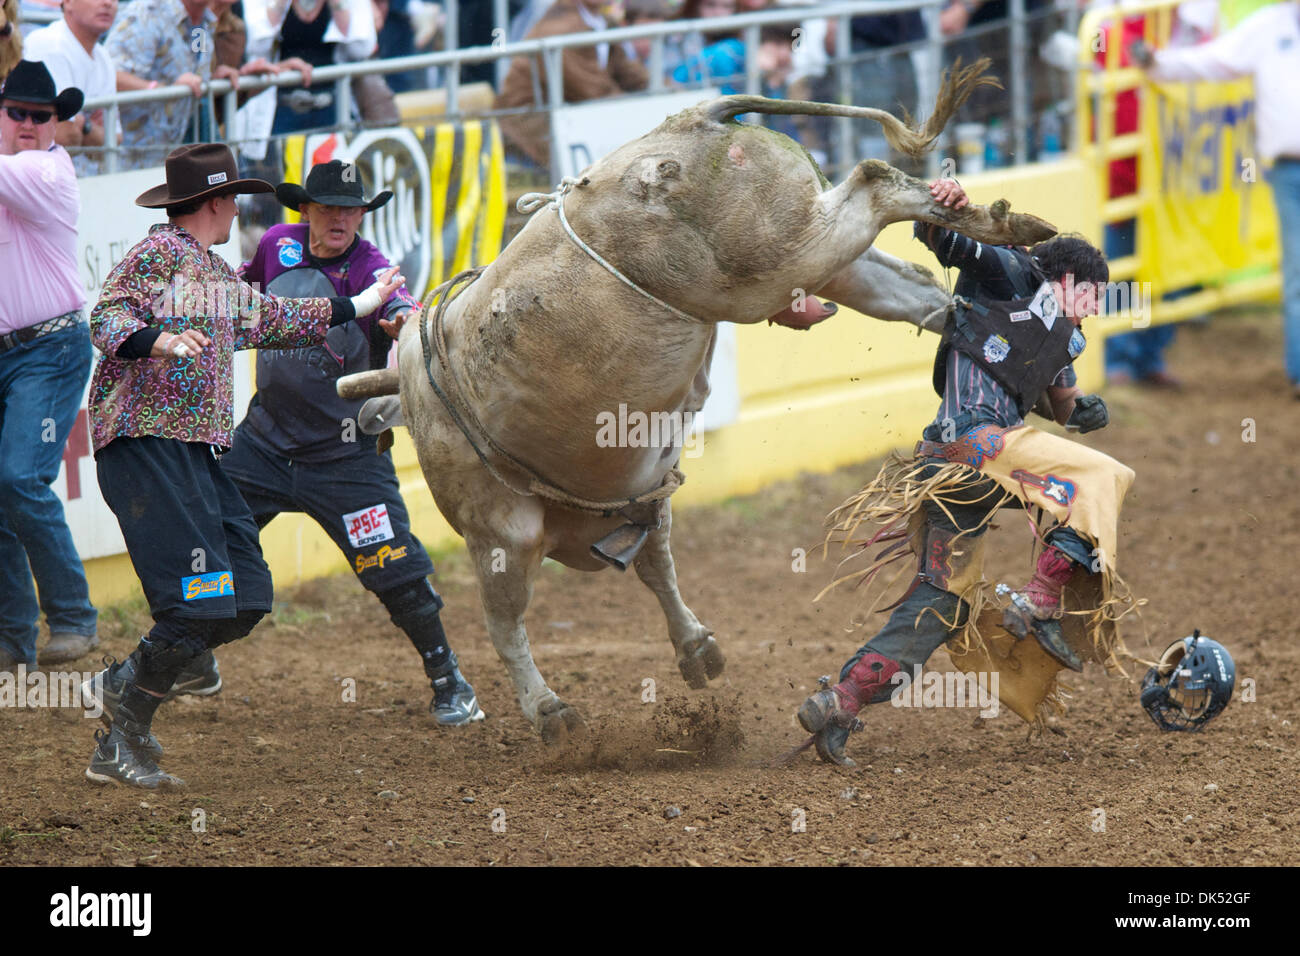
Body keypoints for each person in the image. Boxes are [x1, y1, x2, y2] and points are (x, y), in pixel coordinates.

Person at [80, 143, 403, 789]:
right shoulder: (161, 253)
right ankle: (122, 729)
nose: (239, 210)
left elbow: (274, 320)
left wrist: (362, 306)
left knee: (245, 595)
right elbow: (108, 316)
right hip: (149, 445)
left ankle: (124, 687)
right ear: (217, 202)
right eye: (234, 198)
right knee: (199, 601)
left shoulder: (214, 273)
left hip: (193, 452)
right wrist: (159, 339)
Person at [795, 178, 1137, 766]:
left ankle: (840, 703)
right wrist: (945, 204)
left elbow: (1064, 406)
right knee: (1100, 480)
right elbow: (939, 235)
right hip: (979, 445)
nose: (1098, 306)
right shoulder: (1010, 272)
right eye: (1094, 293)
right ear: (1069, 280)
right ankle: (1036, 602)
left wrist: (1085, 412)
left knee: (943, 603)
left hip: (952, 464)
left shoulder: (1062, 338)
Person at [212, 159, 485, 726]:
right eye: (329, 207)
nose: (340, 218)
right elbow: (244, 298)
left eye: (351, 209)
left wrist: (402, 322)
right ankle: (187, 652)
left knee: (394, 567)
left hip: (344, 454)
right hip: (262, 442)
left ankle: (447, 677)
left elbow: (402, 308)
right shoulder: (275, 246)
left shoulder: (374, 268)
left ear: (362, 214)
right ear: (305, 210)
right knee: (207, 537)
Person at [1132, 2, 1300, 397]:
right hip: (1288, 170)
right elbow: (1211, 61)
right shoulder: (1268, 26)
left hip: (1286, 171)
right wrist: (1158, 63)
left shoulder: (1271, 25)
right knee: (1296, 276)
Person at [0, 59, 99, 670]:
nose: (33, 123)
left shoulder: (46, 172)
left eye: (45, 115)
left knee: (17, 479)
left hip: (51, 347)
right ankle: (13, 642)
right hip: (22, 349)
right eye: (20, 113)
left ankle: (72, 617)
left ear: (57, 124)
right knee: (3, 489)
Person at [495, 0, 648, 168]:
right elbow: (593, 89)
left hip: (566, 116)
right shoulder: (561, 28)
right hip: (528, 125)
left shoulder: (602, 21)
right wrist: (640, 111)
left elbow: (629, 73)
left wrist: (671, 90)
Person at [106, 0, 239, 168]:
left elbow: (192, 74)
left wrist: (214, 79)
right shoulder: (148, 12)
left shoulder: (204, 22)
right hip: (123, 163)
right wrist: (163, 90)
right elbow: (110, 75)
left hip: (167, 162)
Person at [242, 0, 377, 135]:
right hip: (280, 106)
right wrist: (280, 4)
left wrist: (338, 5)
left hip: (332, 103)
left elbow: (361, 49)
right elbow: (256, 46)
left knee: (334, 154)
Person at [21, 0, 117, 176]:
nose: (108, 3)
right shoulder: (48, 44)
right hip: (43, 179)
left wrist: (83, 125)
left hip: (84, 181)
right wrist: (92, 128)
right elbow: (62, 136)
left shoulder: (103, 55)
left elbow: (115, 139)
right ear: (68, 2)